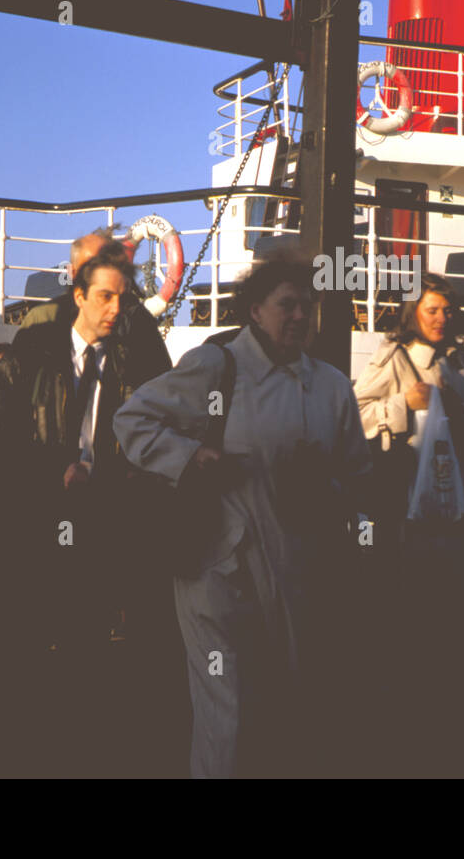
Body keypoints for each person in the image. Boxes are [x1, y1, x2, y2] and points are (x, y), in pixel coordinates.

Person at [113, 248, 373, 778]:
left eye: (308, 305)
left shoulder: (331, 387)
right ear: (255, 310)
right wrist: (190, 457)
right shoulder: (218, 368)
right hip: (218, 564)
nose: (300, 315)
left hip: (299, 570)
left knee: (287, 701)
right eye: (287, 305)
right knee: (225, 705)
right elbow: (133, 418)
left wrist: (329, 488)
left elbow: (359, 475)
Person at [352, 273, 464, 772]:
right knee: (405, 594)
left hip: (458, 501)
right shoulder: (390, 358)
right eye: (432, 310)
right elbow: (354, 414)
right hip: (403, 498)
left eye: (446, 311)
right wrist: (401, 406)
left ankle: (453, 699)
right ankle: (405, 700)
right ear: (414, 311)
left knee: (457, 599)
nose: (441, 319)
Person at [4, 248, 158, 660]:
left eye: (123, 299)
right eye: (105, 296)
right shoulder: (33, 355)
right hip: (37, 513)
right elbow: (0, 436)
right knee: (26, 636)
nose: (116, 308)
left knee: (86, 638)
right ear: (78, 296)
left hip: (101, 514)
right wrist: (52, 472)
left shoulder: (132, 362)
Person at [16, 226, 172, 386]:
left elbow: (161, 388)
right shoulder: (42, 319)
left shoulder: (138, 321)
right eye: (91, 266)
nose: (115, 308)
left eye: (106, 262)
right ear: (73, 274)